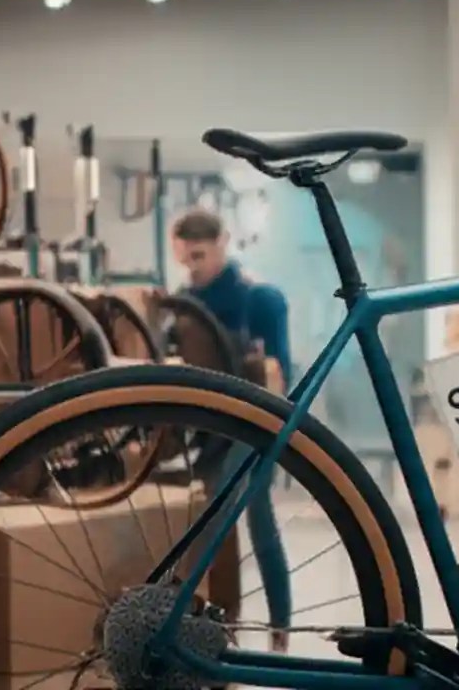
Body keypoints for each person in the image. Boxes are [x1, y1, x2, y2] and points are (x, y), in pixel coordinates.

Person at [170, 210, 293, 647]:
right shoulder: (185, 302)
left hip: (255, 422)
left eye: (201, 255)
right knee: (215, 523)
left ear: (222, 243)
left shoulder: (259, 299)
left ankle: (279, 627)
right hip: (209, 427)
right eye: (186, 258)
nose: (194, 266)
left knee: (248, 515)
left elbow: (280, 375)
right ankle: (221, 626)